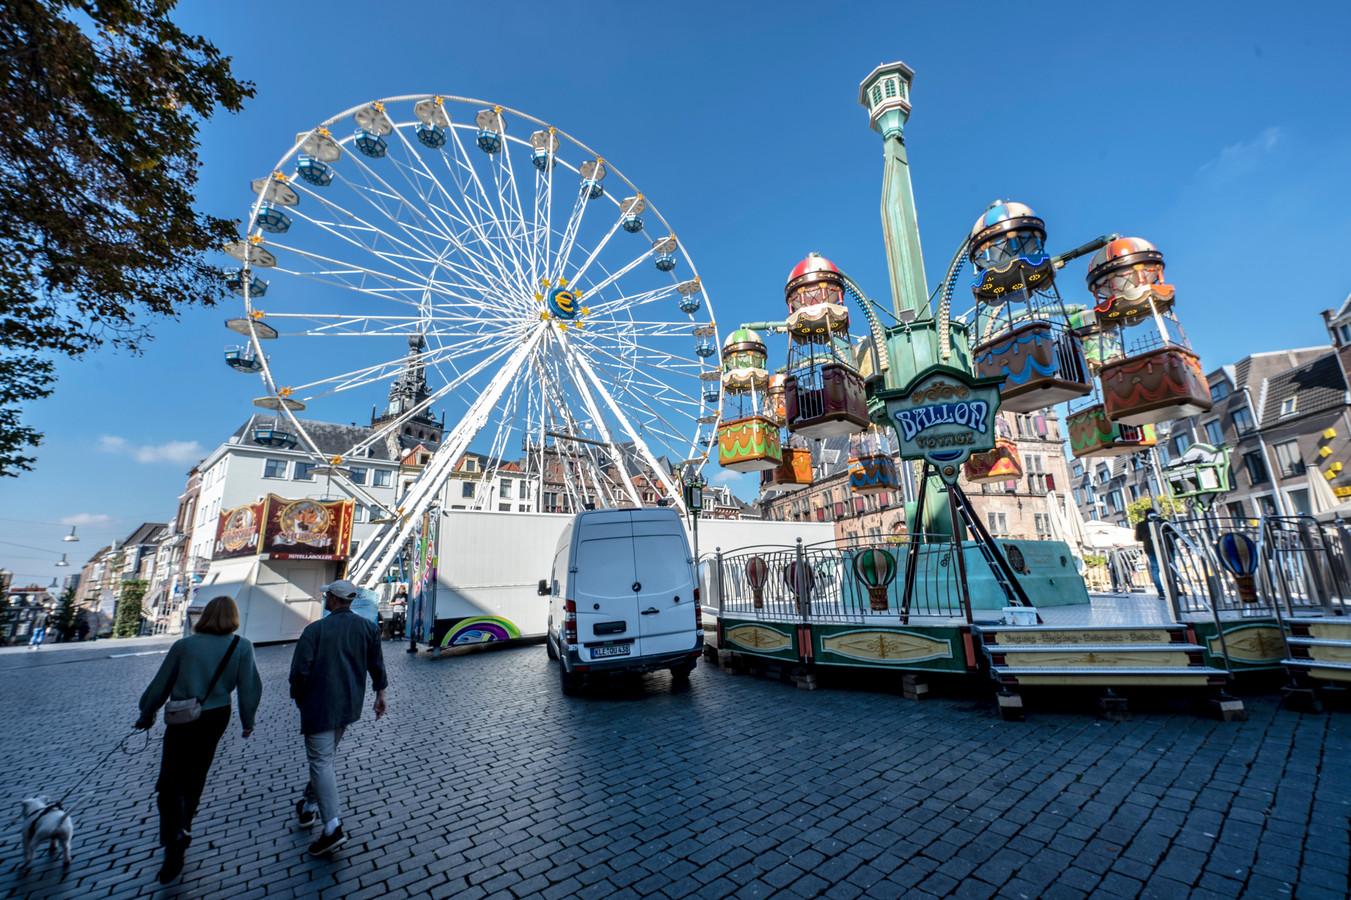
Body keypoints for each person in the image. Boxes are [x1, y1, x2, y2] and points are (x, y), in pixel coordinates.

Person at [135, 595, 262, 884]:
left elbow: (161, 683)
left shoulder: (184, 646)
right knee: (196, 776)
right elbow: (249, 686)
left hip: (182, 717)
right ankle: (185, 828)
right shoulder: (241, 646)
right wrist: (248, 720)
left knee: (169, 780)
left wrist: (147, 712)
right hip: (216, 716)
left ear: (204, 616)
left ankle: (172, 842)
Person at [289, 579, 387, 858]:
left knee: (321, 762)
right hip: (349, 704)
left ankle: (332, 827)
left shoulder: (314, 630)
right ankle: (308, 807)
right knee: (324, 761)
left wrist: (299, 698)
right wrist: (380, 694)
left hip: (319, 705)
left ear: (333, 599)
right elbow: (376, 664)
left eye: (327, 596)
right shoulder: (368, 628)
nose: (325, 599)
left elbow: (299, 673)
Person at [1135, 509, 1167, 597]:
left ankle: (1161, 592)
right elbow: (1174, 534)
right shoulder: (1164, 522)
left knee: (1155, 569)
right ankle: (1175, 589)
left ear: (1145, 515)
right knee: (1170, 567)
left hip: (1150, 548)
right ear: (1156, 513)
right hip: (1166, 547)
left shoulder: (1141, 525)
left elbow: (1138, 538)